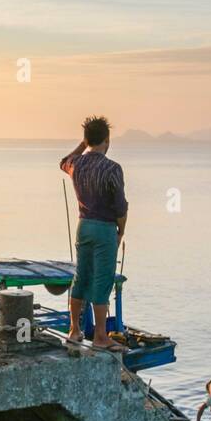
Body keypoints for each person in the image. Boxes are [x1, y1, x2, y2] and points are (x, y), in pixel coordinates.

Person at [59, 116, 128, 350]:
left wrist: (83, 144)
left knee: (81, 276)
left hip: (84, 226)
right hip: (105, 228)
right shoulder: (112, 168)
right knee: (102, 279)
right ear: (107, 140)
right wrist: (121, 232)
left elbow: (63, 161)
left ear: (87, 139)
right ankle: (100, 336)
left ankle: (74, 330)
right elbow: (120, 206)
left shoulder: (76, 164)